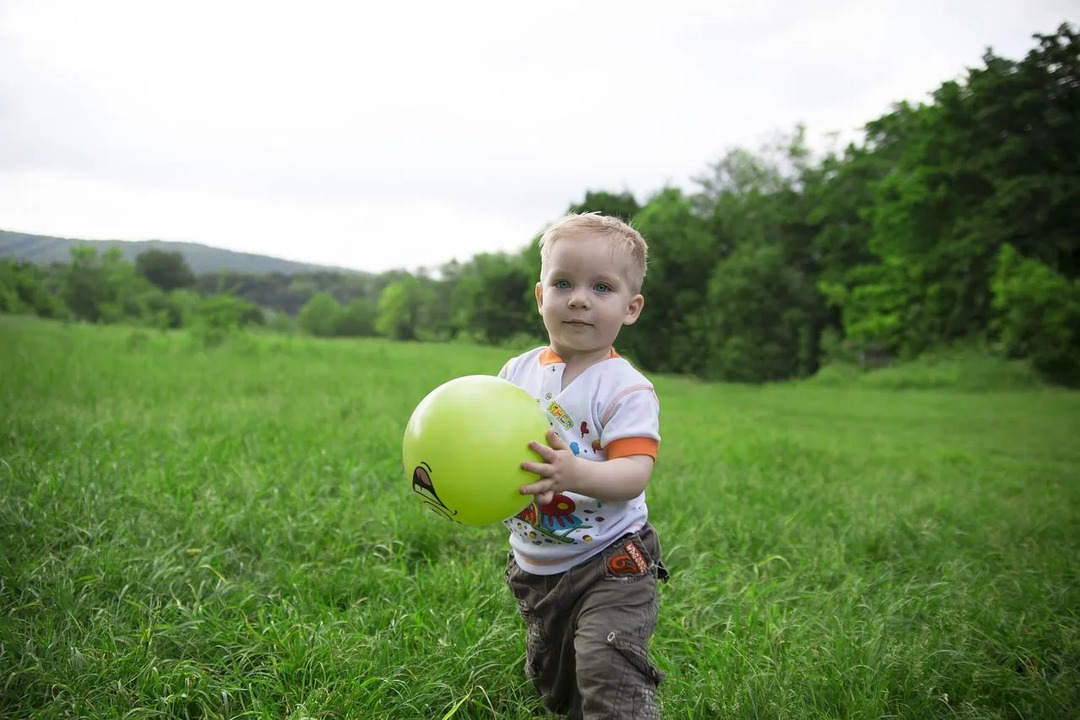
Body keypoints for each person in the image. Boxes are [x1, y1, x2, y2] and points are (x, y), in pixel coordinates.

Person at [498, 212, 668, 719]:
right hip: (535, 563)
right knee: (555, 685)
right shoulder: (516, 373)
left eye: (601, 287)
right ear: (540, 295)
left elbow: (634, 472)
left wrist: (575, 473)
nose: (578, 298)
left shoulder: (624, 387)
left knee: (606, 665)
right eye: (564, 283)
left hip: (611, 561)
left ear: (630, 307)